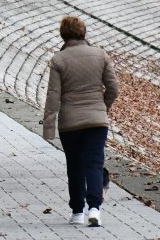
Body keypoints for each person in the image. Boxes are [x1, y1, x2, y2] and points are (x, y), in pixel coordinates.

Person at [42, 16, 118, 227]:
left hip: (70, 123)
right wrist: (102, 106)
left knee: (74, 166)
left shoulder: (59, 59)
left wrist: (48, 128)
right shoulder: (100, 55)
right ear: (84, 33)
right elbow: (114, 88)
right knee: (94, 164)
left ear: (63, 34)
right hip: (97, 121)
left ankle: (77, 212)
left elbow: (53, 95)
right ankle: (94, 208)